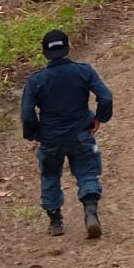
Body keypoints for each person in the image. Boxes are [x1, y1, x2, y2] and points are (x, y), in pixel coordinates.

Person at [20, 30, 113, 238]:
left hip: (50, 138)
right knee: (88, 172)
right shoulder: (84, 71)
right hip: (82, 134)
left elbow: (27, 114)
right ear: (68, 47)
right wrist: (100, 118)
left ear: (44, 53)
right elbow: (106, 97)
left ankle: (55, 222)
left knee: (50, 176)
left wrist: (33, 133)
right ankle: (90, 211)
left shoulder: (36, 80)